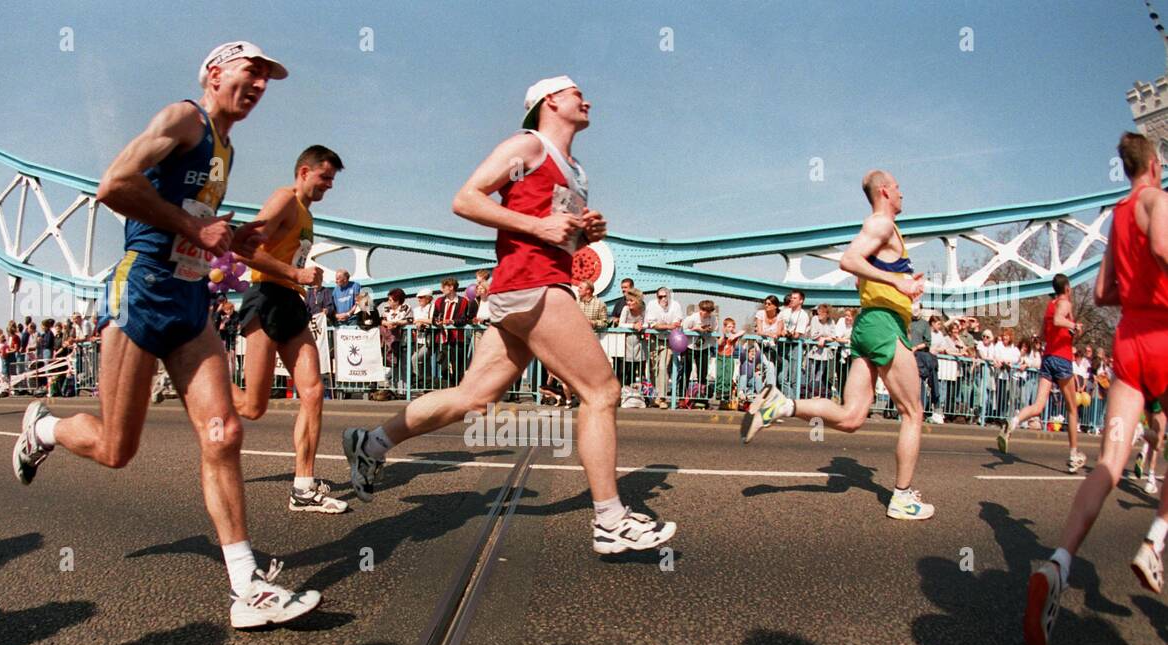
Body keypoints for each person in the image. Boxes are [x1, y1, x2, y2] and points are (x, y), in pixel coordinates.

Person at [11, 40, 320, 629]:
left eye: (266, 79)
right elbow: (114, 186)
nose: (258, 85)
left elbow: (197, 228)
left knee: (224, 431)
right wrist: (191, 227)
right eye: (250, 71)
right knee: (115, 450)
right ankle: (43, 429)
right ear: (213, 72)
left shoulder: (226, 147)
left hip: (188, 300)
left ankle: (246, 586)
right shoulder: (184, 118)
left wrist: (234, 238)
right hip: (141, 293)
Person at [341, 75, 674, 554]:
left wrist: (587, 233)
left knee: (473, 398)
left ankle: (370, 443)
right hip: (531, 286)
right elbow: (466, 198)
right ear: (551, 100)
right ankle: (610, 520)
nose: (588, 100)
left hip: (528, 288)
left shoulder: (576, 170)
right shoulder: (528, 146)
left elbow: (560, 236)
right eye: (578, 93)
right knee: (601, 391)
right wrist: (538, 224)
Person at [1024, 132, 1168, 645]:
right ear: (1154, 164)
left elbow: (1105, 291)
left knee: (1109, 462)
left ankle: (1059, 563)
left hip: (1130, 343)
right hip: (1166, 333)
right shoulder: (1158, 201)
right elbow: (1164, 248)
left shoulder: (1118, 216)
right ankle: (1155, 540)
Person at [742, 168, 932, 520]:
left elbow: (871, 269)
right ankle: (903, 497)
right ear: (886, 191)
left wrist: (904, 284)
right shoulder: (881, 224)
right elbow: (849, 259)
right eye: (899, 188)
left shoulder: (888, 231)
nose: (903, 193)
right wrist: (897, 281)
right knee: (913, 413)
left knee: (851, 417)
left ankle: (781, 405)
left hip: (869, 326)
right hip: (883, 324)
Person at [231, 144, 348, 515]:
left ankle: (303, 486)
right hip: (266, 296)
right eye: (324, 177)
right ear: (303, 172)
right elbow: (242, 248)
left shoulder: (307, 215)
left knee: (313, 391)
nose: (329, 185)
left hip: (291, 302)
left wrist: (298, 277)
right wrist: (296, 272)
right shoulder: (284, 199)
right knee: (253, 407)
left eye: (332, 180)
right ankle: (199, 380)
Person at [997, 274, 1085, 471]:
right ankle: (1073, 455)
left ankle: (1013, 422)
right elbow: (1059, 319)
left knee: (1038, 405)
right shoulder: (1064, 303)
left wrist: (1065, 332)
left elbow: (1045, 333)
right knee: (1072, 409)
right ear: (1068, 289)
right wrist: (1074, 326)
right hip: (1062, 359)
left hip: (1048, 358)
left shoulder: (1050, 305)